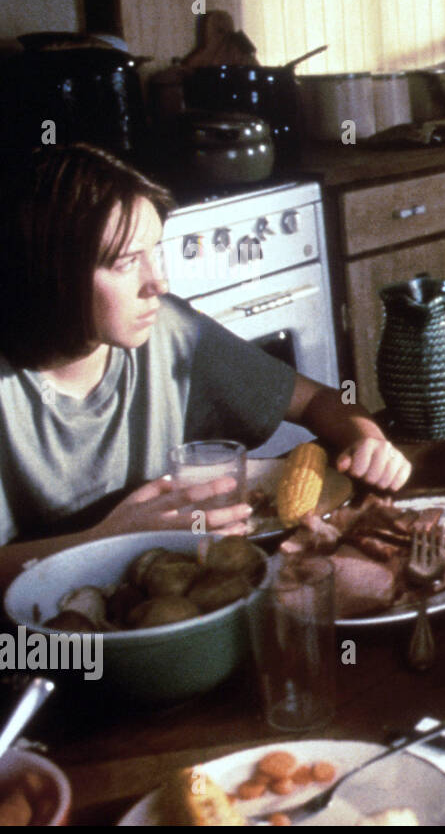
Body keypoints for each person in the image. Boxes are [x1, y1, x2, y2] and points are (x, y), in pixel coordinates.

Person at [0, 144, 411, 587]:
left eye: (154, 251)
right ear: (50, 275)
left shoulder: (169, 333)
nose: (158, 281)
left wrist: (367, 440)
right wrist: (109, 540)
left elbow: (320, 401)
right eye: (125, 263)